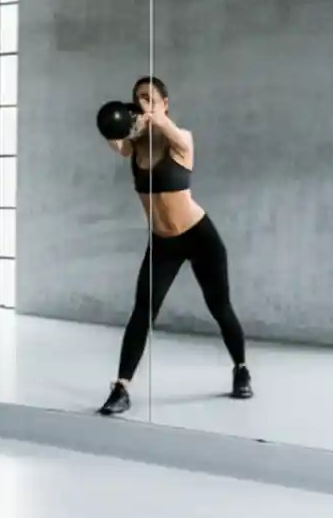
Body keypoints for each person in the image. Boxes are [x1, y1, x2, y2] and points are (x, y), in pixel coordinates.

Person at [97, 76, 252, 416]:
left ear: (165, 103)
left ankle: (241, 369)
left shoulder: (182, 141)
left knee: (220, 306)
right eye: (137, 98)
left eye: (149, 98)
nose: (141, 103)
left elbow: (173, 132)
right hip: (163, 242)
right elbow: (115, 137)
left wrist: (156, 119)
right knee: (142, 311)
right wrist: (115, 120)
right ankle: (121, 388)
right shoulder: (133, 147)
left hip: (199, 236)